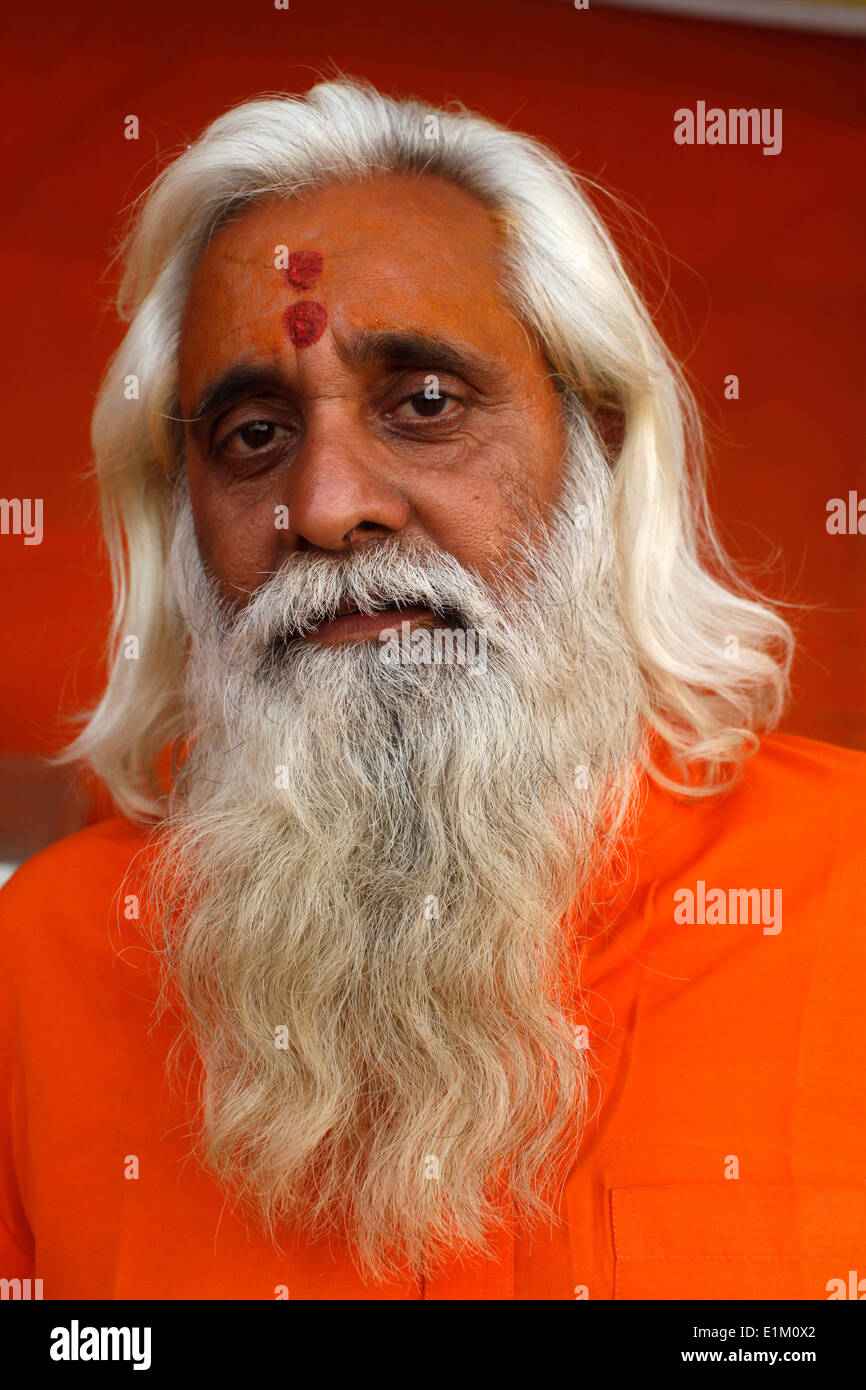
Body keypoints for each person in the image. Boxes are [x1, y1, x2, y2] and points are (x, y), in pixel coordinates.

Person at [1, 78, 863, 1301]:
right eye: (252, 434)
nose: (327, 506)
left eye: (422, 403)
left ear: (601, 445)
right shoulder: (46, 963)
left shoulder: (845, 886)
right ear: (180, 517)